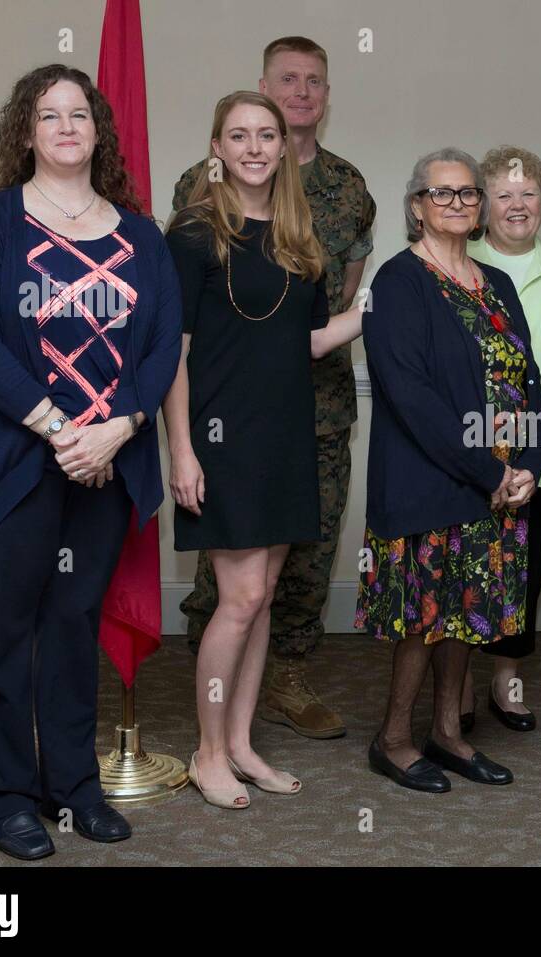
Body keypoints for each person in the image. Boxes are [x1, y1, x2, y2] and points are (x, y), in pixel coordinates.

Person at [0, 65, 182, 859]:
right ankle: (3, 794)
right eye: (50, 114)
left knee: (73, 623)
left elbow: (161, 342)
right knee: (4, 628)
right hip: (14, 456)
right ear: (28, 131)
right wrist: (59, 428)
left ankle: (72, 787)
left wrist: (118, 428)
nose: (68, 126)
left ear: (99, 130)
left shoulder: (140, 233)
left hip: (107, 461)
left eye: (81, 113)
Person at [164, 91, 365, 809]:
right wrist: (182, 451)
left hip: (287, 435)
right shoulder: (192, 233)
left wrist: (372, 309)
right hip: (222, 438)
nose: (254, 147)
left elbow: (306, 341)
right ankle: (207, 749)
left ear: (284, 146)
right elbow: (174, 354)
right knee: (239, 596)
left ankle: (243, 742)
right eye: (238, 135)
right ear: (217, 146)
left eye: (266, 134)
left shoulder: (297, 234)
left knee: (264, 598)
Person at [356, 148, 541, 792]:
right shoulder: (397, 281)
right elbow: (409, 394)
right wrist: (485, 469)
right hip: (425, 481)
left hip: (496, 487)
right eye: (443, 194)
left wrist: (527, 461)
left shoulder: (493, 282)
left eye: (469, 193)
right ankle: (393, 739)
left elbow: (527, 379)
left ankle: (447, 734)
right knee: (422, 618)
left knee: (468, 615)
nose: (459, 203)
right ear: (417, 207)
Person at [457, 145, 541, 733]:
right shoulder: (456, 261)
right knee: (462, 564)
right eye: (503, 194)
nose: (517, 204)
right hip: (468, 442)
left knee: (521, 569)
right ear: (483, 205)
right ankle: (452, 686)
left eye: (528, 193)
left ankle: (507, 682)